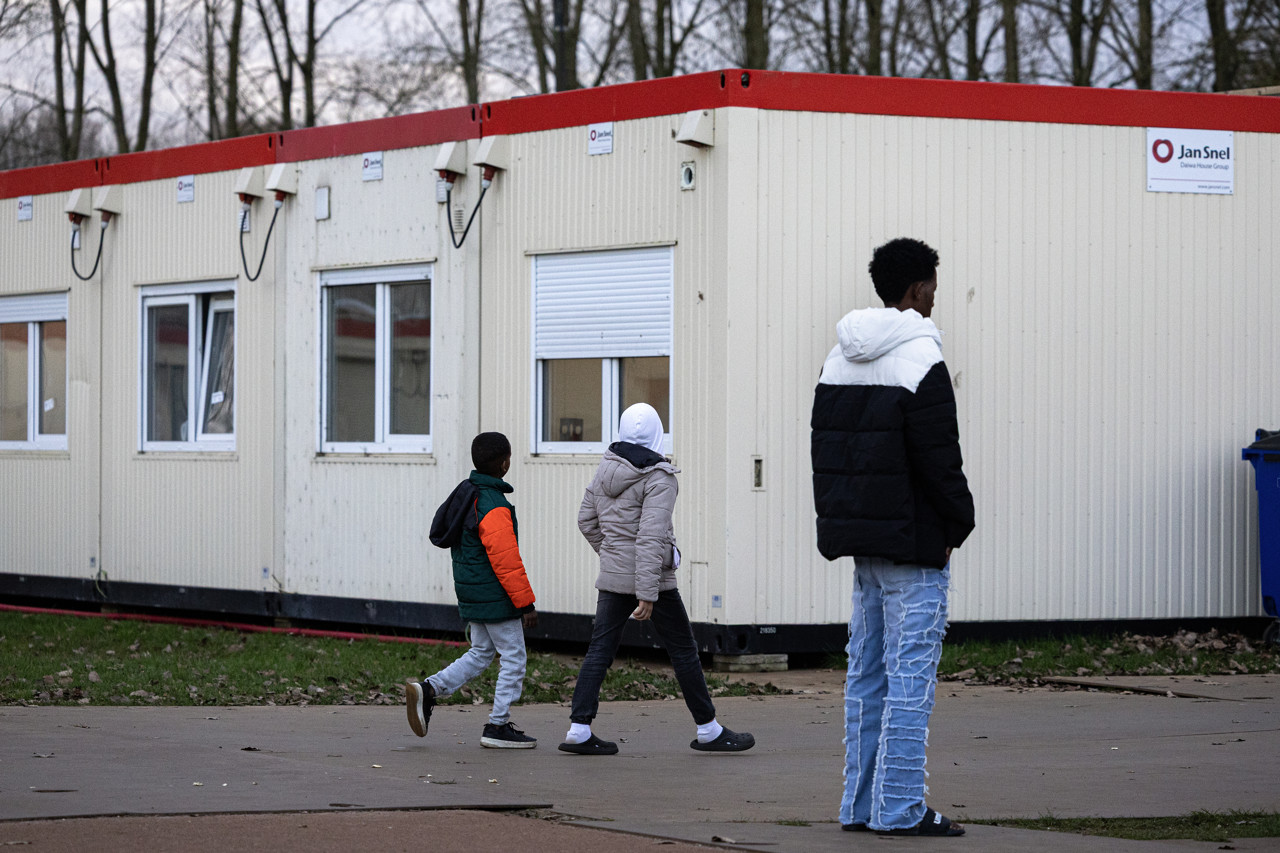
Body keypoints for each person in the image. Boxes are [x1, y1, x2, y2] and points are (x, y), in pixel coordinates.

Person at [811, 237, 975, 836]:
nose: (936, 295)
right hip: (915, 544)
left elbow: (826, 452)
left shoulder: (837, 357)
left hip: (863, 544)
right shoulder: (922, 359)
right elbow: (941, 461)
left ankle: (860, 806)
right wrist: (958, 522)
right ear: (915, 290)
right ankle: (901, 808)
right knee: (911, 679)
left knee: (866, 677)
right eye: (933, 284)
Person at [559, 403, 755, 756]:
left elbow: (586, 520)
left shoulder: (606, 469)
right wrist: (647, 592)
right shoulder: (659, 477)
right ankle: (709, 730)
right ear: (657, 433)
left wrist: (613, 558)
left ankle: (579, 729)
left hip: (614, 578)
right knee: (683, 650)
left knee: (599, 651)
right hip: (654, 581)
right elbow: (651, 536)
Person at [406, 431, 539, 749]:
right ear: (505, 463)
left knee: (481, 652)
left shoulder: (469, 494)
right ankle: (497, 725)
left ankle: (430, 689)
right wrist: (526, 604)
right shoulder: (493, 504)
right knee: (514, 657)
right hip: (495, 596)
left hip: (472, 592)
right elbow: (506, 561)